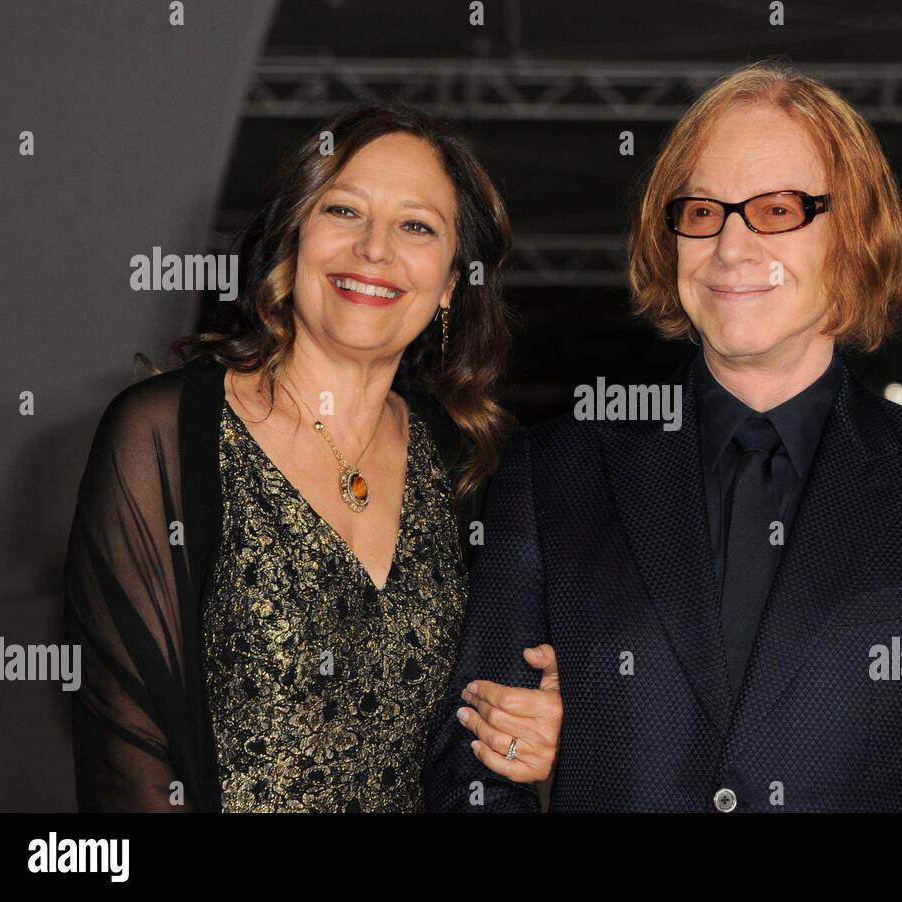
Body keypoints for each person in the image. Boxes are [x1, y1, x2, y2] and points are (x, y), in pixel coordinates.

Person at [425, 61, 902, 812]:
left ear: (854, 234)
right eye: (701, 212)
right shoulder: (551, 472)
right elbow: (471, 763)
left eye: (779, 209)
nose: (731, 245)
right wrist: (514, 756)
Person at [64, 102, 560, 812]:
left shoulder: (469, 467)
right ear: (294, 238)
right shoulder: (166, 432)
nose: (374, 250)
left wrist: (531, 740)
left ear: (452, 281)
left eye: (416, 226)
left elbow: (479, 742)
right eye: (344, 211)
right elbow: (126, 745)